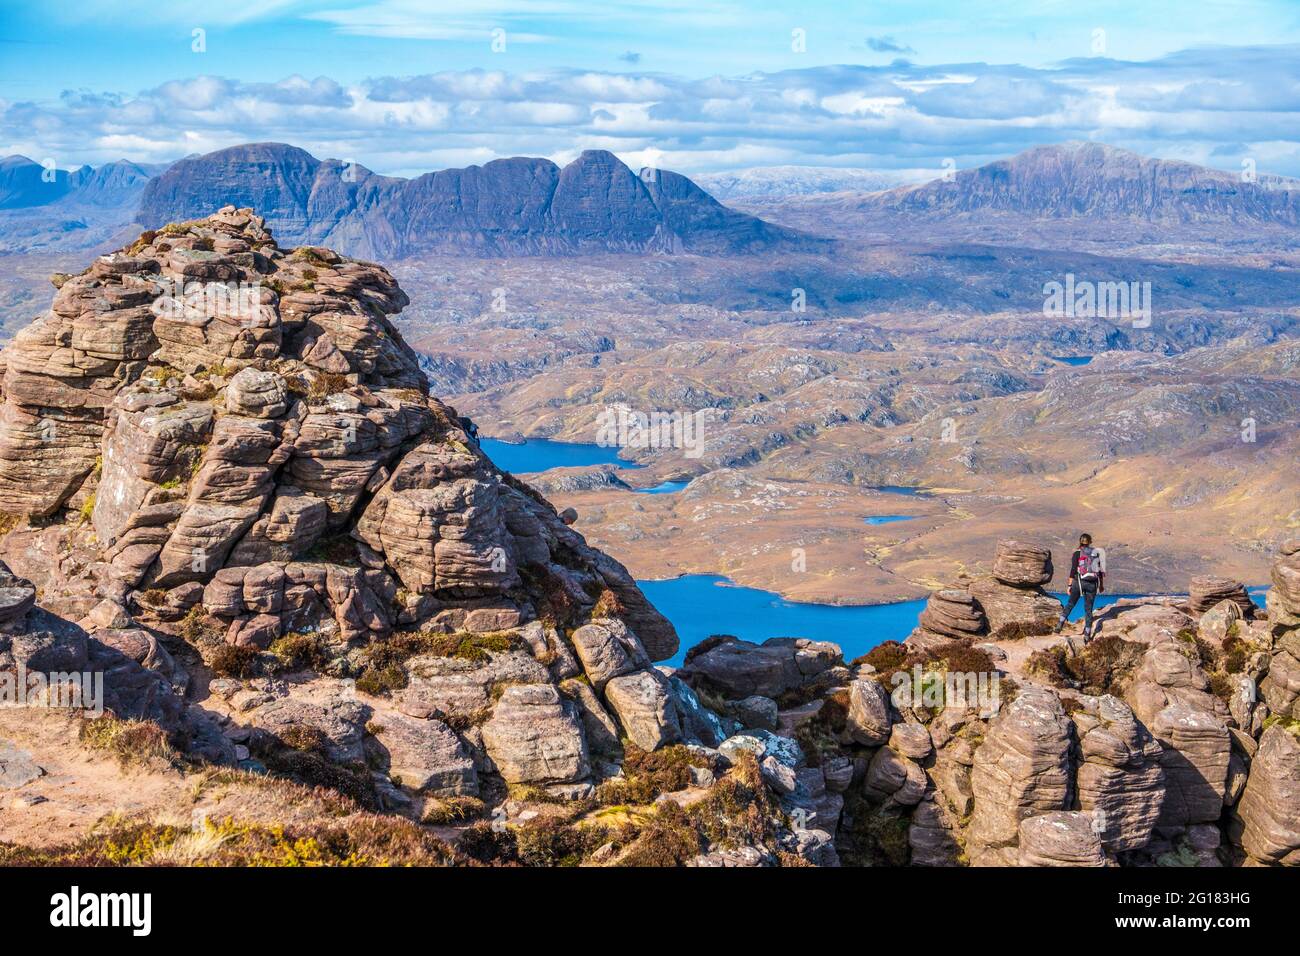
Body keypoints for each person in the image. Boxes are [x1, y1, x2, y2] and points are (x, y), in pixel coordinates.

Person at [1057, 533, 1105, 639]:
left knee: (1070, 604)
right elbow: (1100, 571)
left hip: (1078, 582)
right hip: (1092, 583)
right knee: (1088, 609)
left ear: (1080, 542)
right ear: (1090, 542)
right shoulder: (1096, 554)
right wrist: (1101, 585)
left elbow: (1073, 570)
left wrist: (1069, 585)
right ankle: (1087, 634)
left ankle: (1059, 625)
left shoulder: (1077, 554)